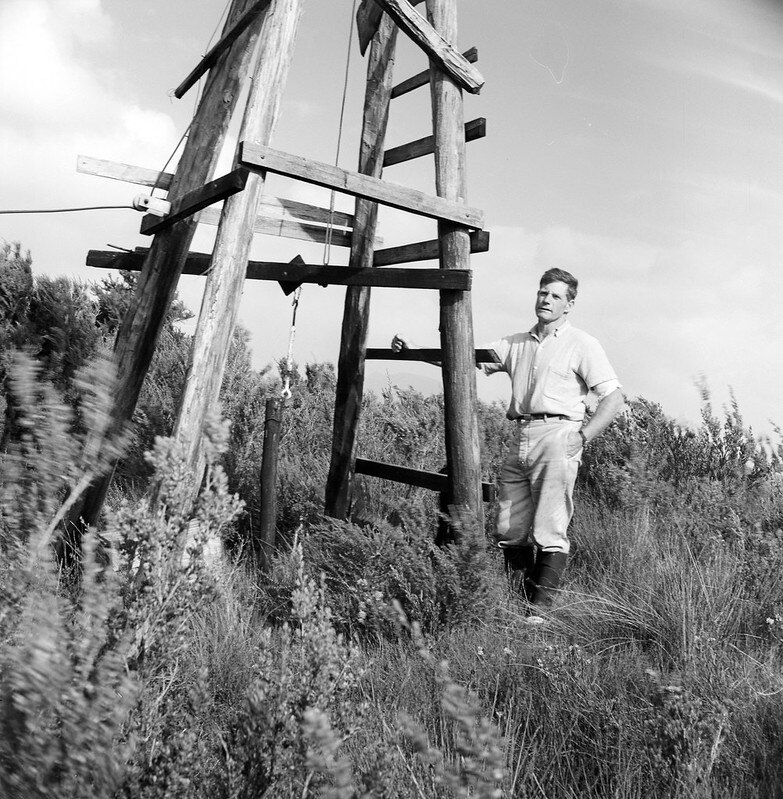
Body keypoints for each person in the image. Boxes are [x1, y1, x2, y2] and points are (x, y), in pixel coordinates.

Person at [392, 268, 623, 617]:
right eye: (542, 292)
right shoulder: (515, 343)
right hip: (521, 436)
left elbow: (613, 398)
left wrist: (582, 437)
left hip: (559, 436)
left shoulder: (582, 344)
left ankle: (538, 613)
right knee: (507, 526)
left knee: (550, 526)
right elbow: (463, 356)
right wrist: (413, 351)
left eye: (555, 296)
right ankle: (521, 604)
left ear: (569, 304)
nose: (546, 299)